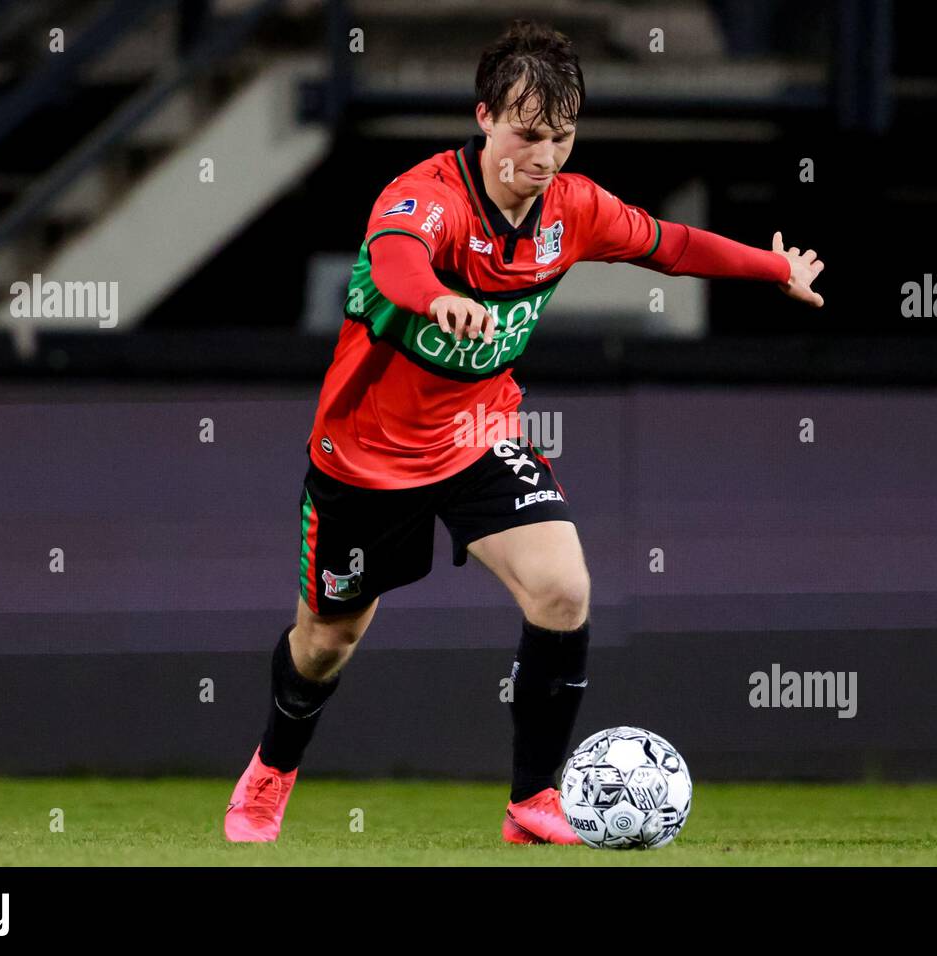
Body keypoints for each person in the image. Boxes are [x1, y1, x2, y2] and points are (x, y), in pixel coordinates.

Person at [224, 18, 824, 844]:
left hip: (477, 432)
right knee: (327, 640)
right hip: (365, 455)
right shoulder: (424, 196)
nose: (544, 158)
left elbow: (671, 244)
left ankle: (533, 801)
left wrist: (774, 267)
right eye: (528, 135)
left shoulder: (572, 211)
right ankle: (272, 770)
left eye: (563, 137)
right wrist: (436, 297)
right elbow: (398, 257)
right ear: (483, 119)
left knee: (564, 587)